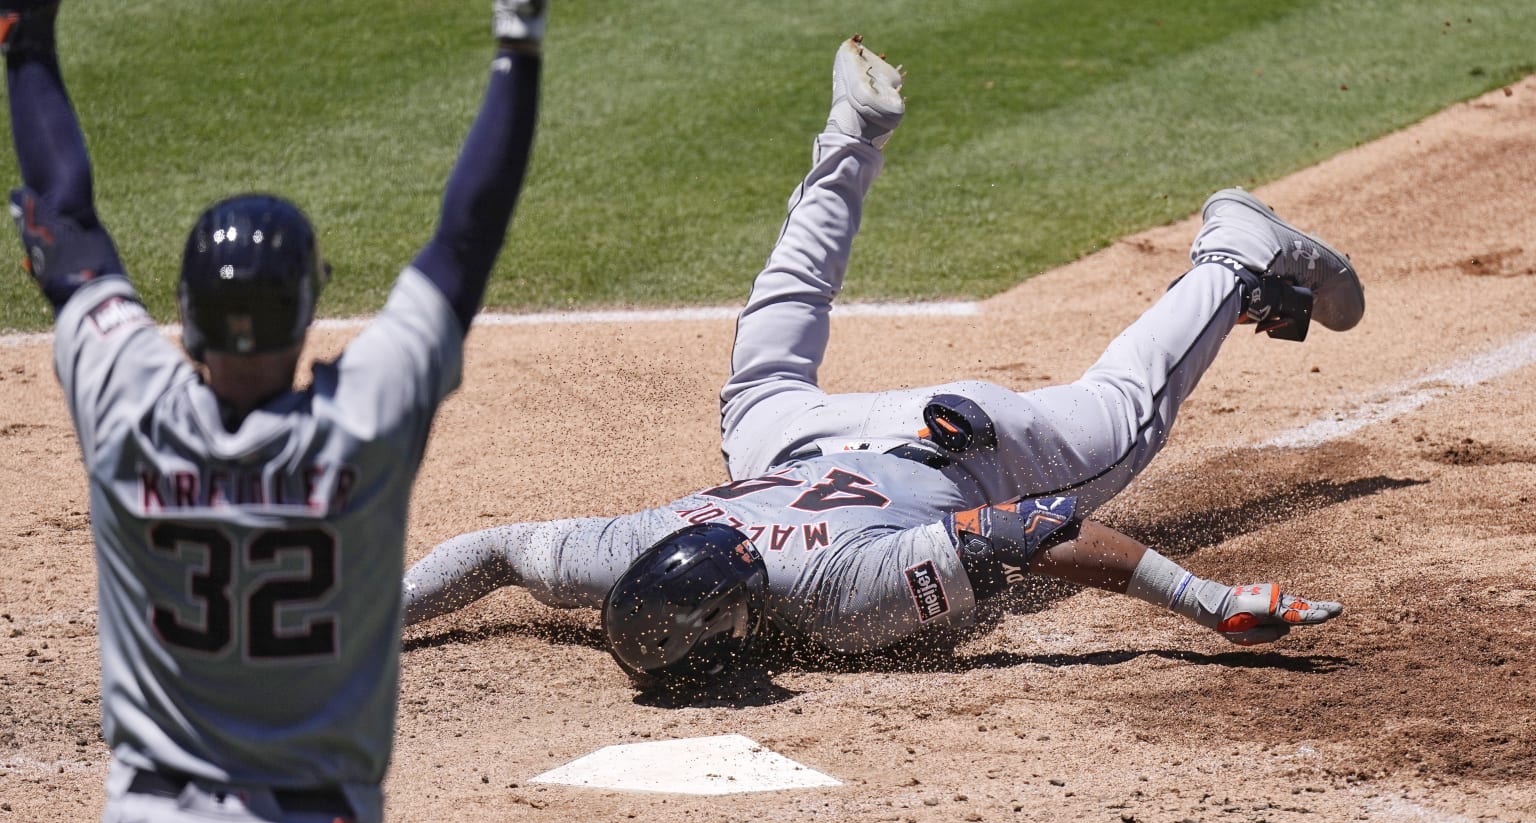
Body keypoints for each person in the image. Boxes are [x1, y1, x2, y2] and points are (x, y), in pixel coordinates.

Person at [401, 35, 1355, 688]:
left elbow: (1029, 527)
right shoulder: (627, 554)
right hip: (798, 448)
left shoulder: (840, 602)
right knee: (764, 372)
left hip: (963, 443)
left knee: (1122, 417)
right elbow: (497, 552)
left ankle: (1231, 255)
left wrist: (1210, 602)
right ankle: (849, 137)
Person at [3, 0, 546, 823]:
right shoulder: (360, 425)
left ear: (184, 316)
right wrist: (519, 41)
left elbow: (65, 219)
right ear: (305, 314)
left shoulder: (126, 402)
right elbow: (464, 241)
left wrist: (22, 36)